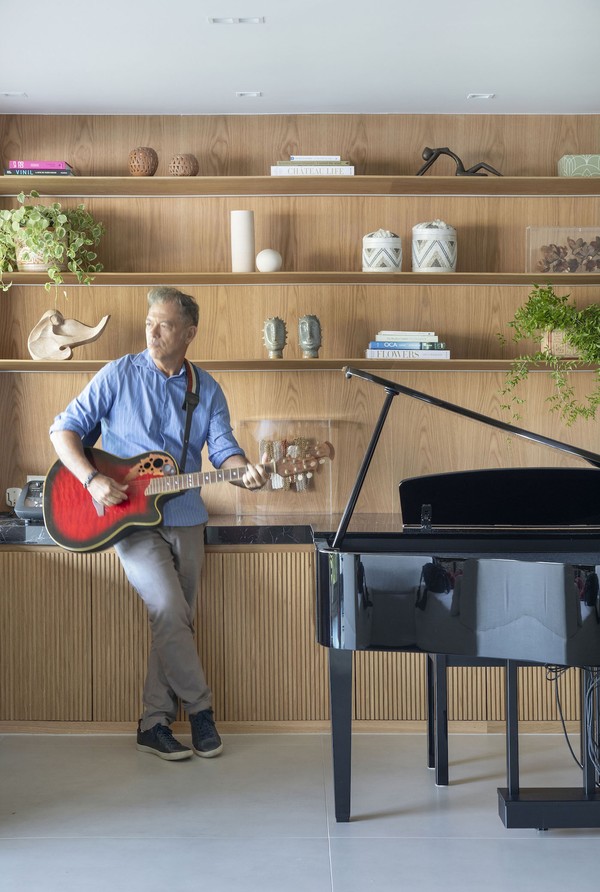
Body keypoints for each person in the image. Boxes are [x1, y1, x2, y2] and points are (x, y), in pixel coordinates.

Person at [49, 287, 269, 761]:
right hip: (126, 522)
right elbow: (63, 429)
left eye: (164, 324)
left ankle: (153, 724)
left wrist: (245, 469)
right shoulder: (117, 375)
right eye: (150, 321)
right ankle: (203, 711)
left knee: (174, 621)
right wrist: (90, 480)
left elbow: (223, 447)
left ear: (189, 333)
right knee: (170, 609)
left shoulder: (205, 389)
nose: (152, 331)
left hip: (186, 517)